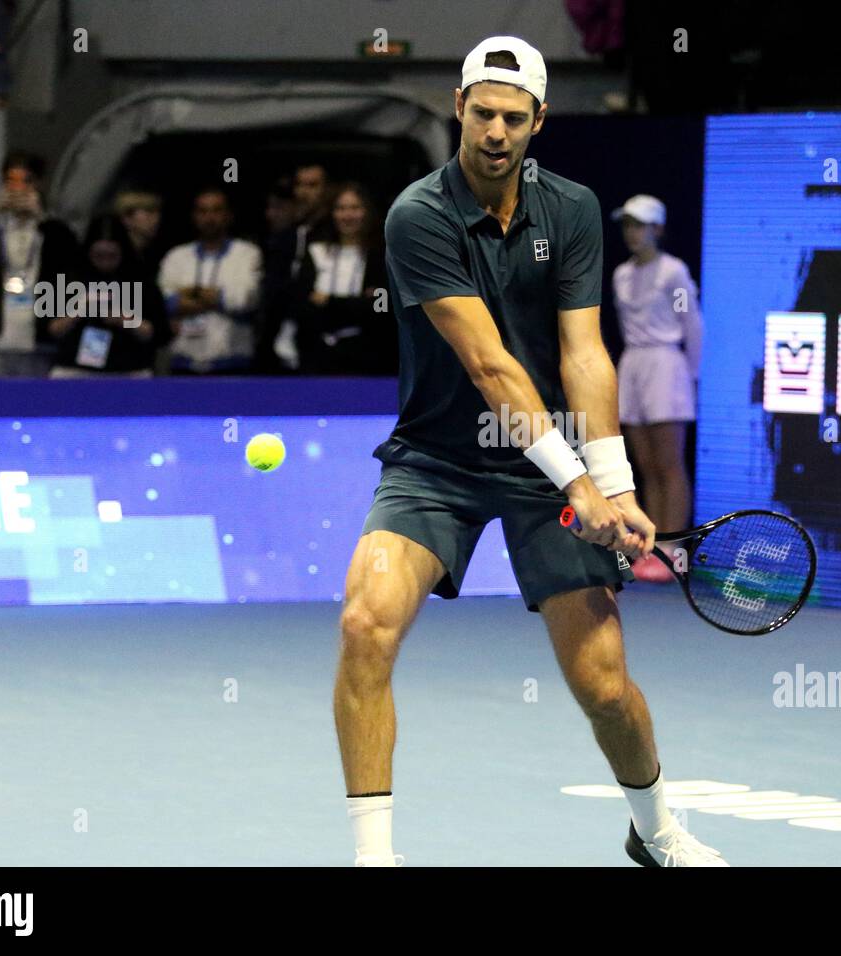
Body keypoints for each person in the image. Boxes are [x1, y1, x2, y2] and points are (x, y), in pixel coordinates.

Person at [333, 36, 726, 868]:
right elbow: (490, 366)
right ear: (458, 107)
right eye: (483, 112)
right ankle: (375, 859)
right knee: (365, 625)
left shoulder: (574, 209)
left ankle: (655, 832)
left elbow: (584, 354)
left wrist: (613, 486)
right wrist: (578, 479)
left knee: (605, 686)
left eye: (514, 117)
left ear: (540, 121)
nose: (496, 131)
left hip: (548, 467)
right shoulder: (418, 216)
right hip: (434, 463)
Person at [610, 194, 703, 583]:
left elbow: (693, 327)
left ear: (658, 229)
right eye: (628, 225)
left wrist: (689, 377)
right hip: (632, 365)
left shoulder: (674, 272)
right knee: (644, 465)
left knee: (669, 462)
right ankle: (649, 545)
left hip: (667, 365)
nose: (633, 232)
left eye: (640, 224)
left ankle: (671, 547)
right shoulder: (620, 274)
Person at [0, 151, 79, 376]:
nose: (19, 189)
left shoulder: (52, 230)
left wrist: (41, 217)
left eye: (27, 181)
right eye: (11, 181)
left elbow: (71, 259)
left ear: (38, 184)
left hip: (37, 341)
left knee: (34, 408)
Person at [45, 214, 171, 378]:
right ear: (88, 252)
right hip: (76, 371)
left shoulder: (142, 282)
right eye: (99, 256)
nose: (105, 263)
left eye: (112, 256)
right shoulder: (68, 280)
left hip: (129, 371)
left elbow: (158, 333)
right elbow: (51, 330)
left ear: (123, 252)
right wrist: (78, 311)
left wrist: (125, 319)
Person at [293, 182, 396, 375]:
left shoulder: (382, 257)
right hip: (318, 358)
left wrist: (327, 300)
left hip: (367, 360)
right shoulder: (316, 251)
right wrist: (359, 303)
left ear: (367, 212)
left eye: (355, 208)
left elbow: (381, 309)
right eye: (341, 208)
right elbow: (302, 305)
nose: (347, 215)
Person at [157, 188, 262, 374]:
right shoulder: (176, 256)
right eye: (202, 211)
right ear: (194, 216)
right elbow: (164, 302)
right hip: (184, 364)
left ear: (229, 215)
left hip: (232, 363)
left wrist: (189, 294)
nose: (209, 217)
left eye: (216, 210)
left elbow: (245, 299)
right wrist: (218, 298)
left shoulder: (247, 253)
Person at [259, 163, 330, 373]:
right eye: (299, 185)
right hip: (280, 338)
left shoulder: (332, 236)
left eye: (312, 185)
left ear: (326, 190)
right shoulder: (285, 236)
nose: (303, 192)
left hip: (321, 340)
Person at [114, 189, 167, 274]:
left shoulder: (151, 253)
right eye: (150, 211)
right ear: (126, 218)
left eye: (158, 212)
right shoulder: (114, 257)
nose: (157, 219)